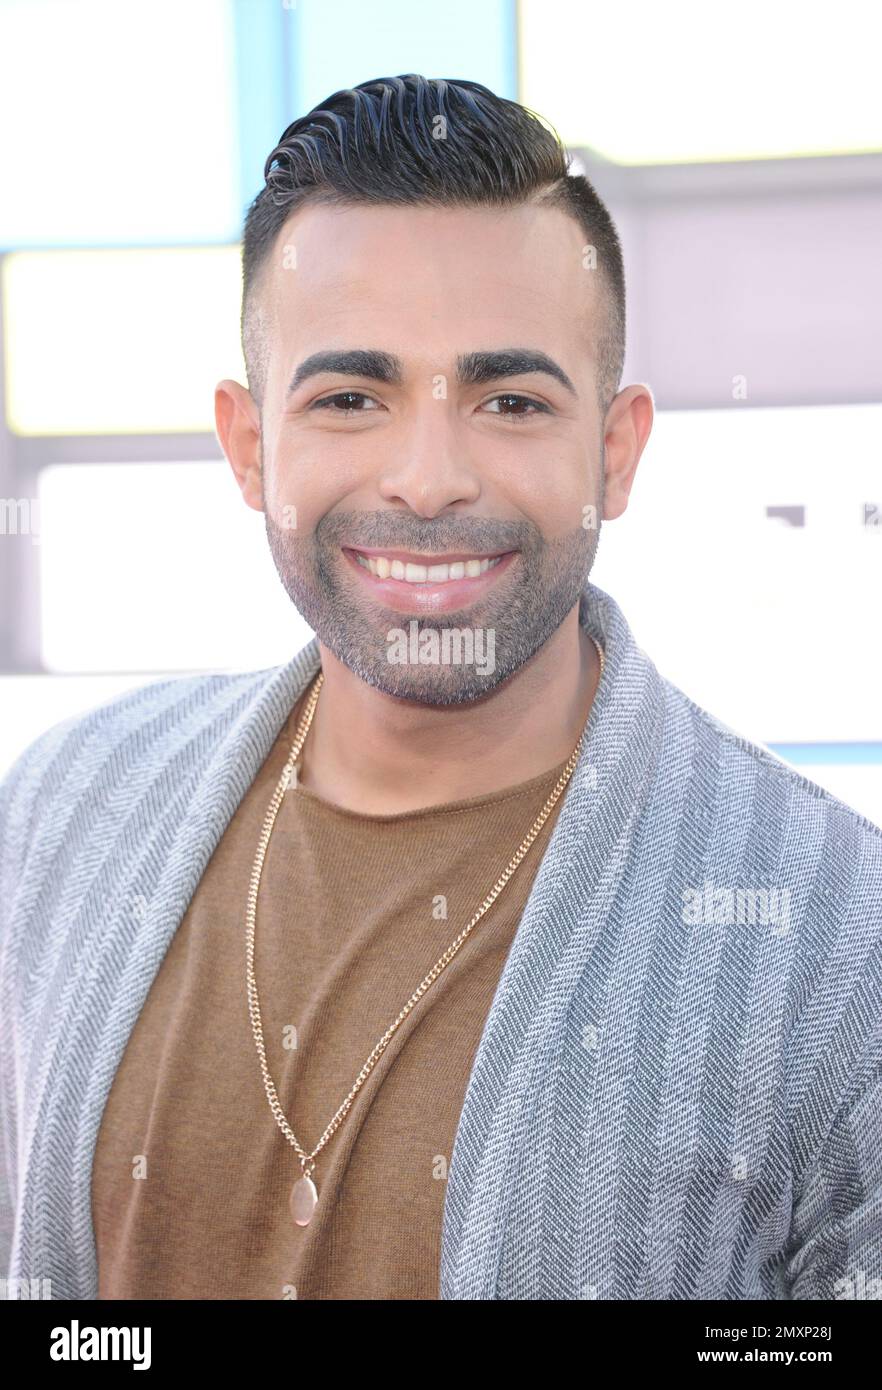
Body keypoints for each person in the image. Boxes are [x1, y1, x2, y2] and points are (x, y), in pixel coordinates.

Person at [1, 74, 880, 1302]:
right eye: (351, 397)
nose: (427, 476)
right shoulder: (56, 815)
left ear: (614, 453)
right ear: (250, 446)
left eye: (509, 400)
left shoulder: (843, 939)